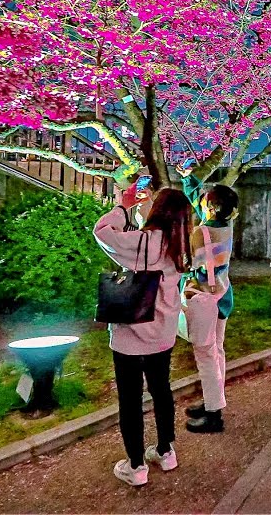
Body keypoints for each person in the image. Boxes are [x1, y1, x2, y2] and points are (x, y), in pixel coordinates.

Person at [94, 187, 195, 488]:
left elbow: (102, 231)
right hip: (162, 334)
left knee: (130, 398)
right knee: (161, 390)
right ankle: (166, 451)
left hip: (130, 334)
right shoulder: (179, 245)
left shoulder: (142, 242)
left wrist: (123, 208)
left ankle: (136, 465)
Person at [182, 183, 240, 434]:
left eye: (206, 199)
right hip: (223, 294)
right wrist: (189, 179)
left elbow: (187, 263)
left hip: (203, 297)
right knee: (217, 350)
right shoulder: (227, 226)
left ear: (212, 207)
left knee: (205, 354)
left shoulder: (201, 232)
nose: (202, 201)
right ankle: (212, 400)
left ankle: (213, 414)